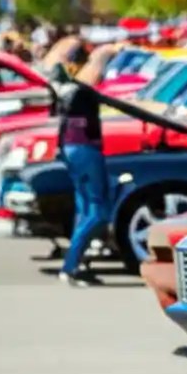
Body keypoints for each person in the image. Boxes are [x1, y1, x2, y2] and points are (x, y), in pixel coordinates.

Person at [51, 58, 108, 287]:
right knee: (99, 211)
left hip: (70, 148)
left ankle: (78, 262)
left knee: (84, 208)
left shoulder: (67, 92)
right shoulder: (81, 92)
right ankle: (71, 264)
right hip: (85, 149)